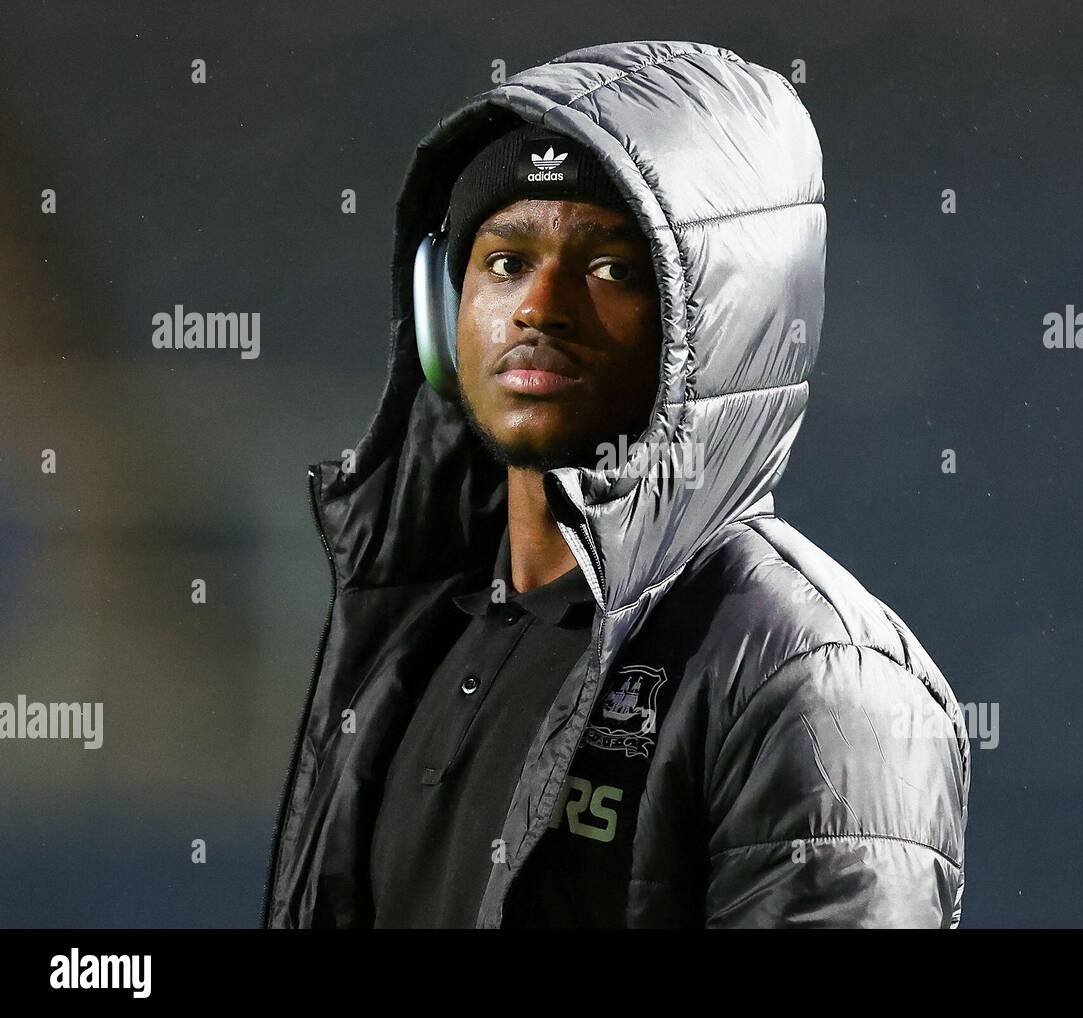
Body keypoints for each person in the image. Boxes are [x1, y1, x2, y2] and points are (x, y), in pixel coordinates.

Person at [262, 39, 970, 930]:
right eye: (506, 261)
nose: (540, 307)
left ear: (709, 324)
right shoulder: (412, 639)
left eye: (612, 270)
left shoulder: (820, 683)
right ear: (442, 316)